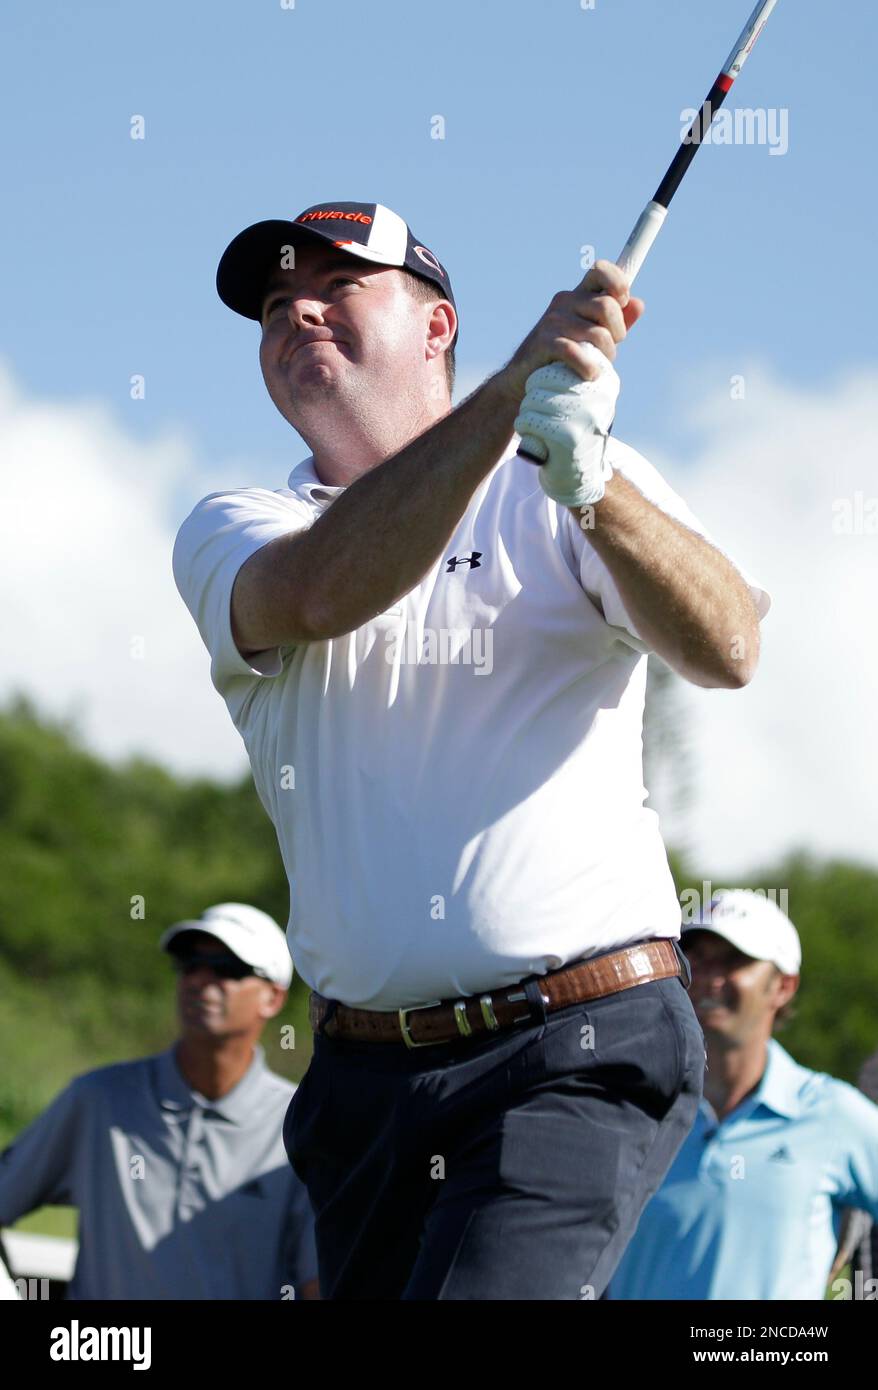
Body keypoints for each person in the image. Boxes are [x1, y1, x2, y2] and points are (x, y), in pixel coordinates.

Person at [173, 199, 769, 1300]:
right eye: (272, 304)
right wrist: (510, 394)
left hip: (573, 1048)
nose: (294, 308)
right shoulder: (236, 522)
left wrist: (592, 488)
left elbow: (727, 644)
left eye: (337, 285)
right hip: (359, 1084)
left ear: (436, 326)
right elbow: (319, 590)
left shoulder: (570, 473)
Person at [0, 903, 318, 1300]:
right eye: (189, 964)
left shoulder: (302, 1124)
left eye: (226, 968)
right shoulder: (97, 1100)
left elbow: (316, 1283)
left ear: (272, 998)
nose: (200, 980)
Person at [609, 890, 878, 1300]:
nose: (711, 978)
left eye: (734, 961)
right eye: (697, 959)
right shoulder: (625, 1106)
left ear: (783, 987)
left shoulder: (833, 1115)